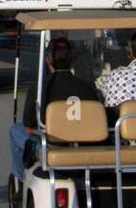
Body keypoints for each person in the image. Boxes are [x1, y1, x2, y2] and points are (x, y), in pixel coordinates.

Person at [9, 37, 100, 181]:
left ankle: (20, 179)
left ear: (48, 61)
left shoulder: (39, 88)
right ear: (72, 61)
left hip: (52, 145)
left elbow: (28, 126)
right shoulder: (87, 87)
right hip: (85, 143)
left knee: (15, 129)